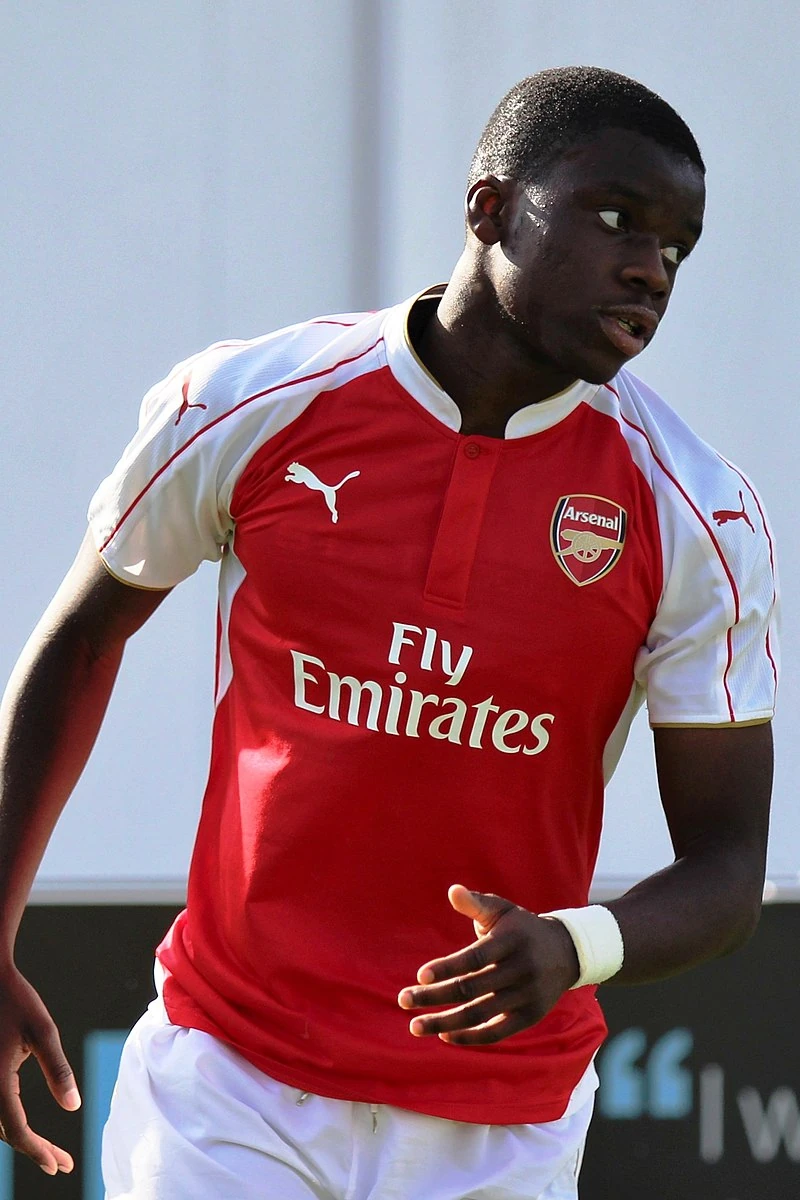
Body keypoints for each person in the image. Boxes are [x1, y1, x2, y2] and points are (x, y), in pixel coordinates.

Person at [0, 66, 778, 1199]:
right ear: (488, 208)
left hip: (500, 1128)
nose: (650, 268)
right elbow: (80, 639)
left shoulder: (696, 514)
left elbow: (727, 870)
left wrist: (574, 946)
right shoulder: (250, 400)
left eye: (677, 247)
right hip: (229, 1087)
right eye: (616, 217)